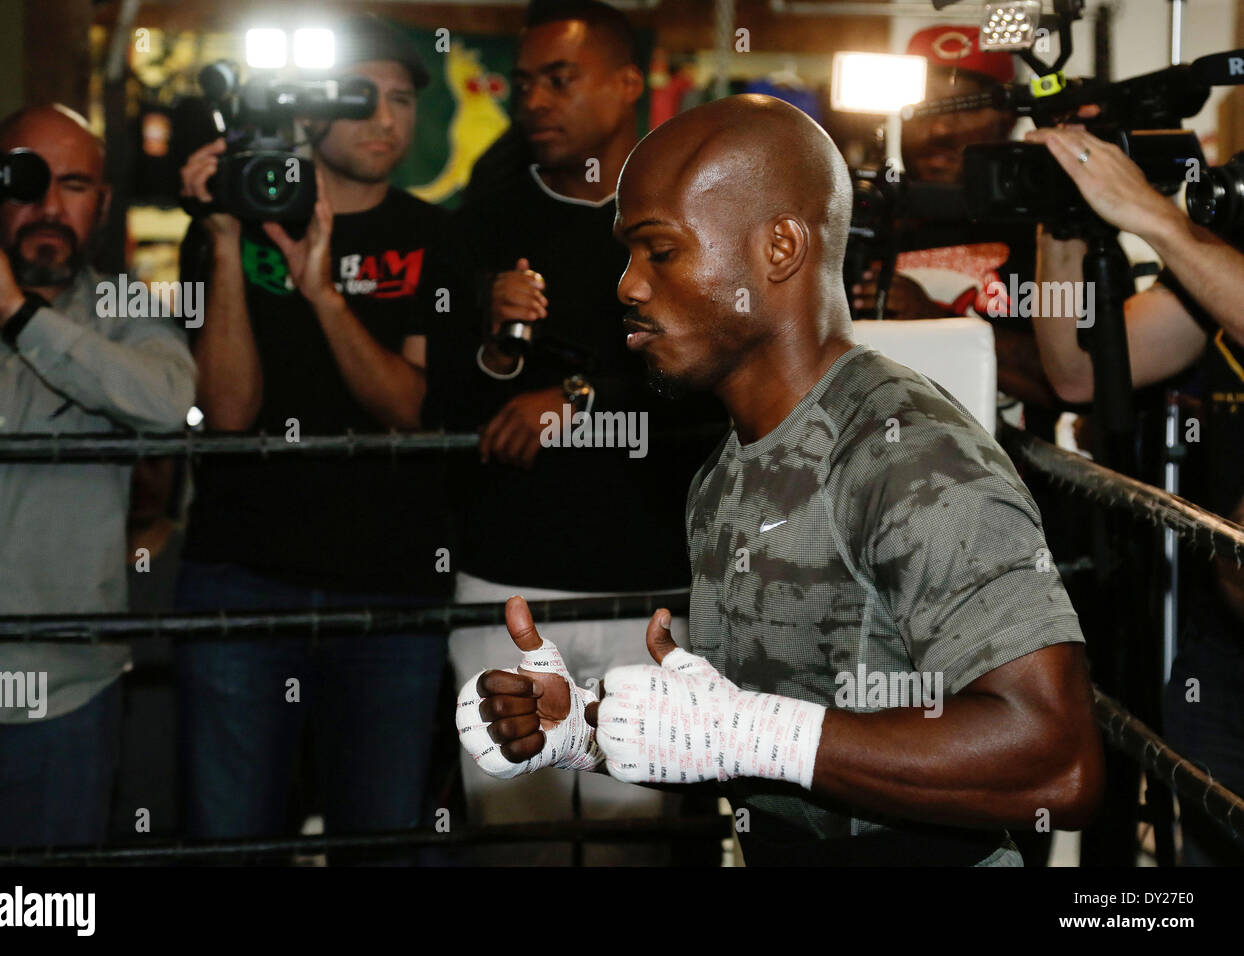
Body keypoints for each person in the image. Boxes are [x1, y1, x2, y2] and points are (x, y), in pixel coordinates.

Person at [455, 94, 1105, 866]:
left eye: (659, 250)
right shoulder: (725, 471)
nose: (627, 285)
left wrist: (746, 733)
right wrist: (594, 728)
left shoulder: (910, 455)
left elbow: (1056, 760)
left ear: (780, 249)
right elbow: (773, 736)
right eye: (628, 254)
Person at [427, 0, 721, 865]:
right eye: (524, 83)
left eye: (561, 78)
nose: (535, 100)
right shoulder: (478, 219)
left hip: (651, 587)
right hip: (506, 581)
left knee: (634, 839)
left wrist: (580, 394)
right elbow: (438, 404)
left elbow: (718, 374)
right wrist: (493, 347)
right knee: (516, 834)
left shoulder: (684, 217)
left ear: (629, 84)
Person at [174, 14, 450, 852]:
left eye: (402, 100)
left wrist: (323, 294)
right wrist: (225, 236)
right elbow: (227, 414)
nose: (387, 120)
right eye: (362, 99)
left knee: (382, 837)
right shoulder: (222, 227)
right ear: (311, 110)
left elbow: (410, 408)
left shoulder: (433, 235)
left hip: (392, 584)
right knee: (232, 840)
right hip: (243, 576)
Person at [0, 104, 195, 850]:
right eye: (26, 182)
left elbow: (168, 403)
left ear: (104, 203)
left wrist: (19, 316)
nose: (50, 207)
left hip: (63, 698)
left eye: (75, 185)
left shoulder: (122, 310)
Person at [1028, 123, 1244, 865]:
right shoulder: (1220, 264)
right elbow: (1076, 371)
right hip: (1224, 650)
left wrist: (1154, 215)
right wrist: (1061, 218)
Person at [852, 25, 1061, 425]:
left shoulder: (1049, 231)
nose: (939, 130)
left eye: (963, 108)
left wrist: (935, 324)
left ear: (1005, 117)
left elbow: (1069, 383)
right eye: (924, 107)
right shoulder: (864, 221)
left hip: (1012, 477)